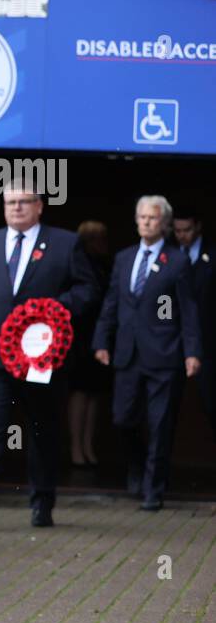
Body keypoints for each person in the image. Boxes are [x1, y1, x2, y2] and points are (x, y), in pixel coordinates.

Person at [0, 182, 99, 528]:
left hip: (41, 357)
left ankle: (42, 501)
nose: (16, 208)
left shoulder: (64, 243)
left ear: (39, 206)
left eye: (23, 202)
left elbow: (89, 288)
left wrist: (54, 309)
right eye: (10, 202)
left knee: (42, 429)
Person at [92, 196, 201, 511]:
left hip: (165, 355)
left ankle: (154, 489)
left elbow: (187, 309)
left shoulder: (177, 261)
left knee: (160, 423)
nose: (146, 223)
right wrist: (102, 340)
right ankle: (138, 467)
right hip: (127, 353)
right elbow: (112, 301)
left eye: (152, 218)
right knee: (123, 418)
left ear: (164, 223)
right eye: (141, 217)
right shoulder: (124, 258)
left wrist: (192, 351)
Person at [66, 220, 113, 468]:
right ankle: (76, 447)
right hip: (80, 334)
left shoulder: (105, 265)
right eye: (98, 239)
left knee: (95, 392)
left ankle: (87, 445)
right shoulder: (78, 263)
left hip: (100, 333)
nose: (103, 244)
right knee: (80, 391)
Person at [171, 207, 216, 444]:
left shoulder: (211, 257)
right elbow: (163, 298)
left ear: (197, 227)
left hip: (208, 342)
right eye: (177, 230)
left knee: (211, 403)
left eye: (186, 230)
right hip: (172, 341)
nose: (182, 236)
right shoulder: (167, 256)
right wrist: (165, 320)